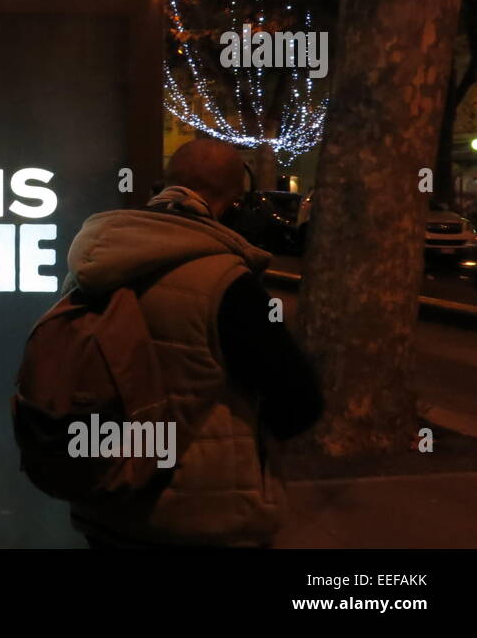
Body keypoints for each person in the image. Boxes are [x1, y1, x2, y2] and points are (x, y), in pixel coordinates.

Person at [60, 138, 323, 548]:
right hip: (205, 515)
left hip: (107, 499)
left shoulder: (91, 266)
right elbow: (298, 403)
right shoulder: (227, 281)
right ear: (233, 203)